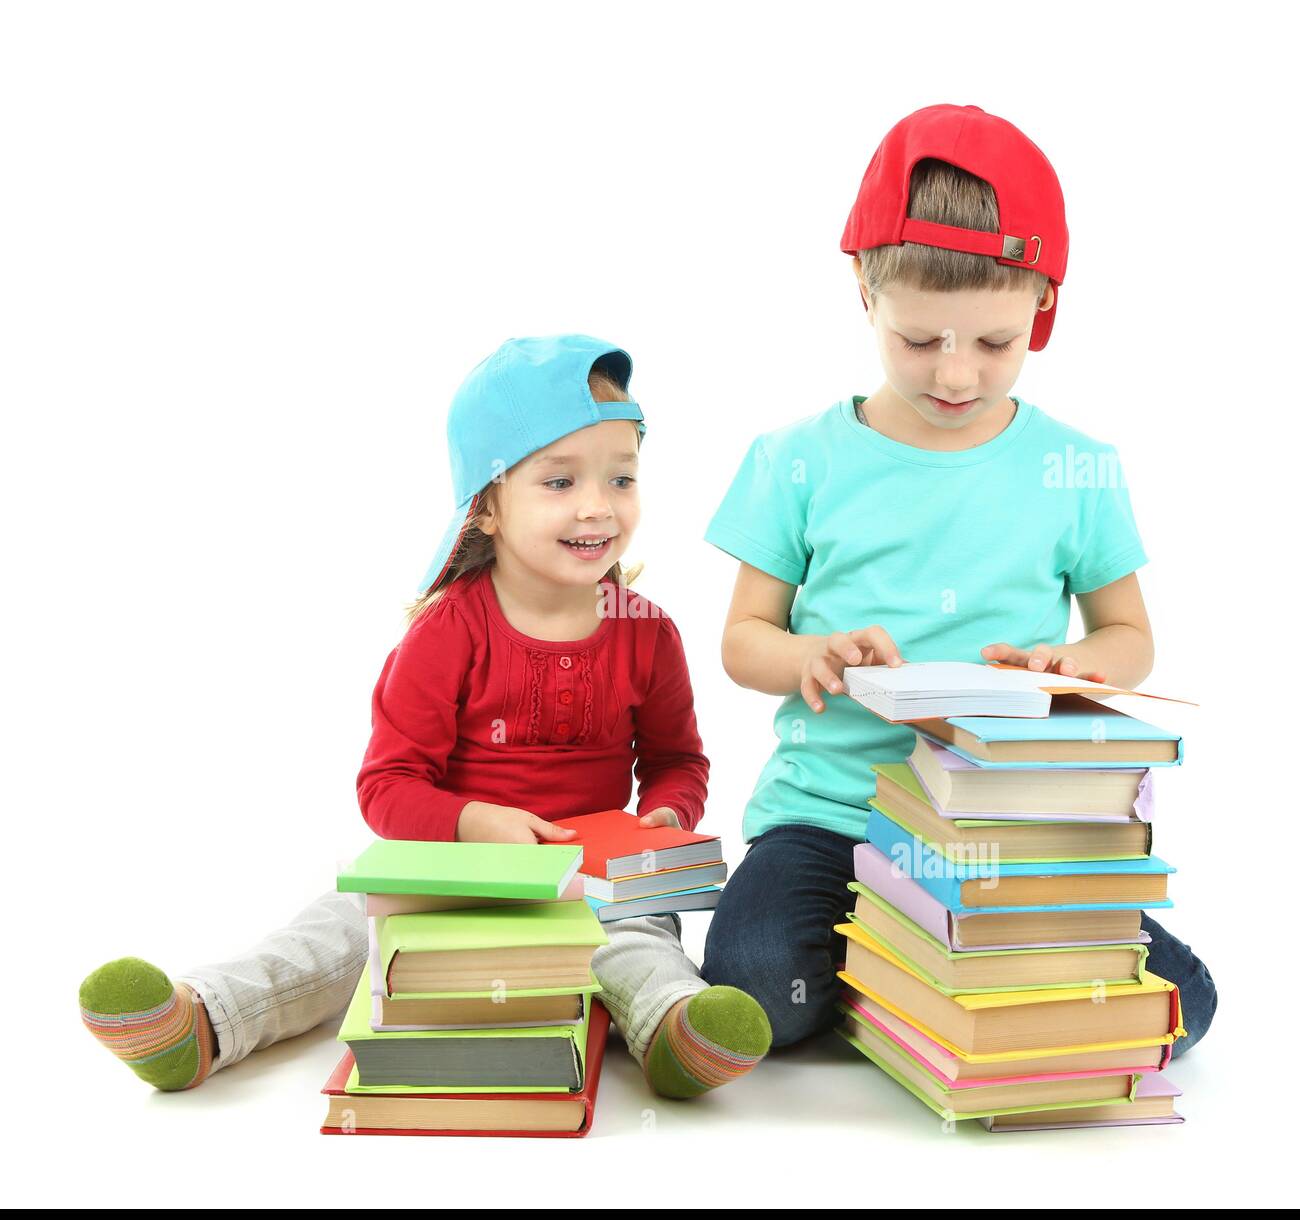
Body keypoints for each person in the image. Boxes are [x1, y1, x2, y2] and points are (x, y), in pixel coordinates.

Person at [79, 334, 771, 1099]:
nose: (598, 507)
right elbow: (388, 785)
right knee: (339, 933)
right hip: (454, 868)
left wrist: (669, 813)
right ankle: (206, 1019)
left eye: (622, 478)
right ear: (486, 511)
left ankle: (675, 1033)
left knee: (643, 940)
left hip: (592, 879)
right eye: (559, 481)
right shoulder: (449, 632)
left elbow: (678, 759)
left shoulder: (647, 631)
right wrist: (475, 822)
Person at [699, 104, 1217, 1059]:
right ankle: (935, 975)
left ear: (1042, 312)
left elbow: (1129, 638)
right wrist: (811, 654)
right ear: (864, 290)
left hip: (993, 816)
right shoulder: (795, 460)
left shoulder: (1078, 466)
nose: (955, 374)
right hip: (827, 817)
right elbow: (743, 641)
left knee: (1182, 1002)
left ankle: (910, 969)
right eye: (920, 339)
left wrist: (1072, 663)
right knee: (758, 987)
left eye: (993, 343)